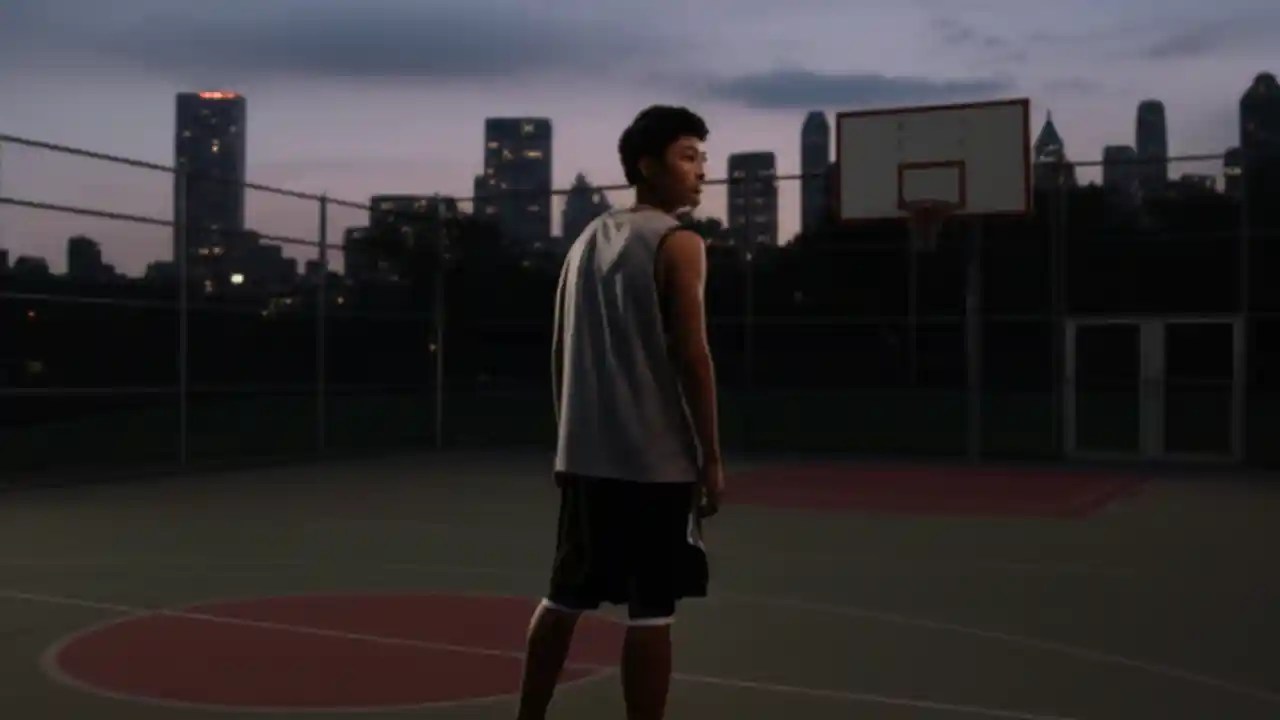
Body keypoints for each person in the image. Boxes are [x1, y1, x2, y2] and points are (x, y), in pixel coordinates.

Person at [515, 105, 725, 720]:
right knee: (652, 611)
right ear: (646, 164)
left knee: (562, 599)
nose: (701, 172)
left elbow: (560, 352)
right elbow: (694, 356)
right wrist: (710, 456)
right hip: (655, 460)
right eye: (688, 157)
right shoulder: (679, 242)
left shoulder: (584, 242)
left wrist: (564, 443)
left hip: (586, 458)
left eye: (703, 159)